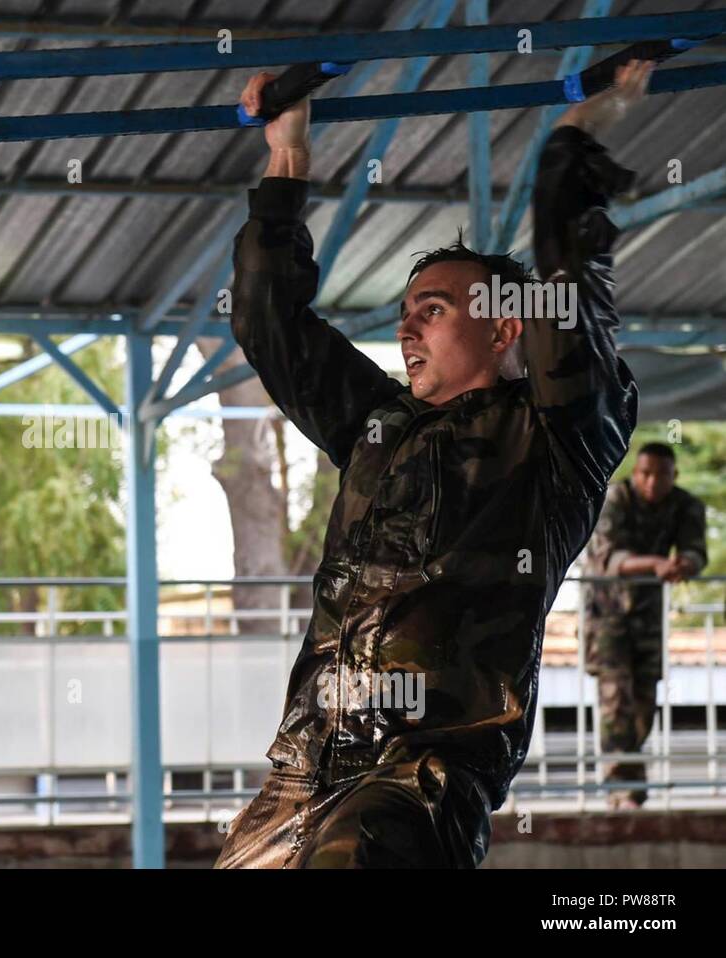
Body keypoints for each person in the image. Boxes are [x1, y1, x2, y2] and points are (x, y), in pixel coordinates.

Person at [215, 61, 652, 868]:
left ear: (508, 329)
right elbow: (267, 318)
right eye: (405, 315)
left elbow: (568, 284)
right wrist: (288, 157)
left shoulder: (559, 439)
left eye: (434, 311)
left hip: (422, 777)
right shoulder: (380, 426)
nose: (407, 332)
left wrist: (577, 136)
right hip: (305, 771)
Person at [584, 442, 707, 809]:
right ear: (635, 474)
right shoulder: (616, 499)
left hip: (648, 617)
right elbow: (608, 558)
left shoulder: (685, 505)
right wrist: (657, 564)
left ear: (675, 476)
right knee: (615, 700)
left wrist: (684, 563)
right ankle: (620, 791)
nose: (652, 482)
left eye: (662, 474)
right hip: (607, 616)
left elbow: (697, 551)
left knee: (643, 703)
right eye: (645, 473)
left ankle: (631, 787)